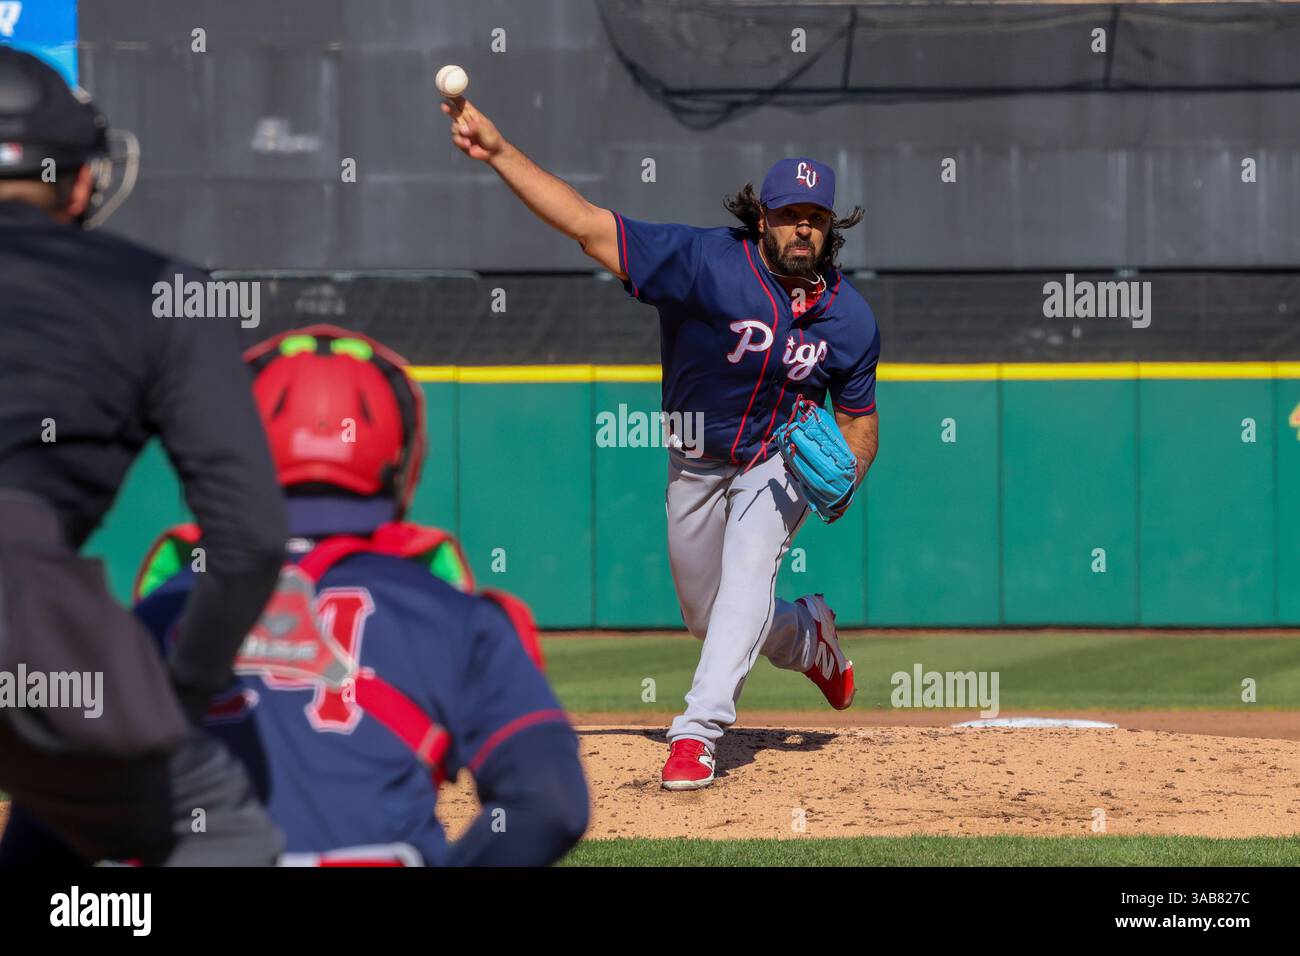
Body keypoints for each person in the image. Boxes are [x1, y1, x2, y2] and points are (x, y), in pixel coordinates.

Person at [440, 95, 880, 791]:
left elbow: (857, 420)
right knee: (710, 617)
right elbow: (587, 227)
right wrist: (497, 152)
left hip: (780, 459)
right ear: (761, 218)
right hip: (695, 459)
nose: (804, 229)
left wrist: (850, 472)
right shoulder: (702, 262)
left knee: (748, 571)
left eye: (817, 219)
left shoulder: (849, 318)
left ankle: (696, 732)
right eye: (791, 215)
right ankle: (806, 636)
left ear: (831, 229)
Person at [132, 326, 588, 866]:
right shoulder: (455, 616)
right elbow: (551, 805)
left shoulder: (157, 613)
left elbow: (51, 813)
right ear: (401, 461)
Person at [0, 47, 287, 864]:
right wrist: (181, 691)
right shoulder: (165, 291)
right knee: (219, 832)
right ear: (83, 180)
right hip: (26, 619)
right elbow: (252, 539)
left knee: (46, 832)